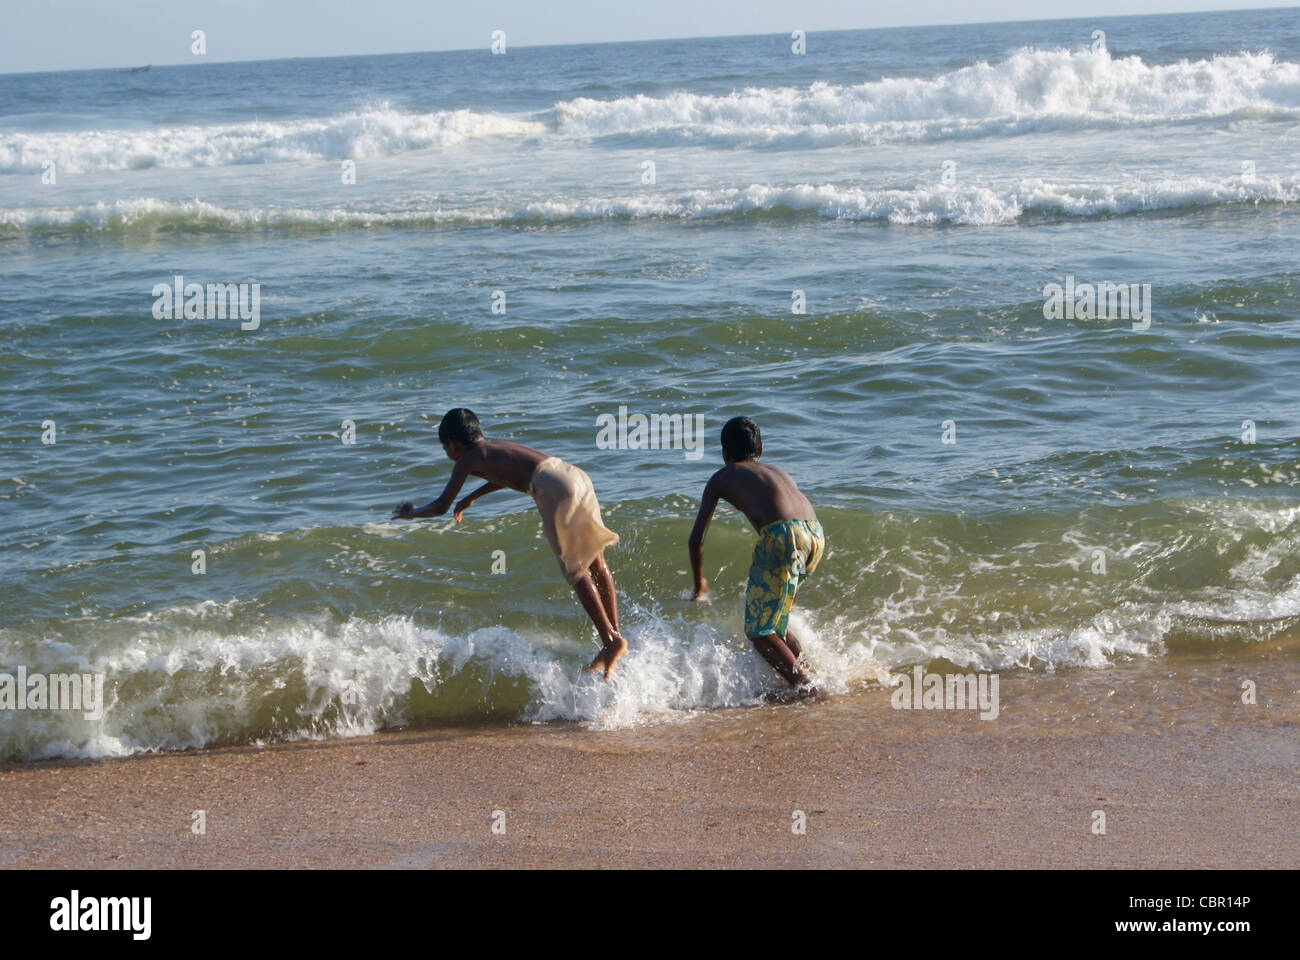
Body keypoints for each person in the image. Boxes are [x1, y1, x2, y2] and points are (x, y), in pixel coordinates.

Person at [392, 408, 628, 679]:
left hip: (551, 487)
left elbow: (441, 506)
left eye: (445, 447)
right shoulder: (494, 448)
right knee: (596, 563)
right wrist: (473, 496)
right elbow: (512, 474)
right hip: (573, 476)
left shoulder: (466, 460)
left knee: (575, 570)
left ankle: (610, 642)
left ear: (453, 444)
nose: (447, 454)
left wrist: (411, 513)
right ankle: (615, 636)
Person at [687, 416, 824, 687]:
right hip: (815, 534)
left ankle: (808, 689)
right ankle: (813, 679)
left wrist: (699, 583)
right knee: (777, 625)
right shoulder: (778, 471)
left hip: (782, 536)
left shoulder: (721, 477)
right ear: (760, 450)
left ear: (725, 452)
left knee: (760, 632)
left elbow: (696, 539)